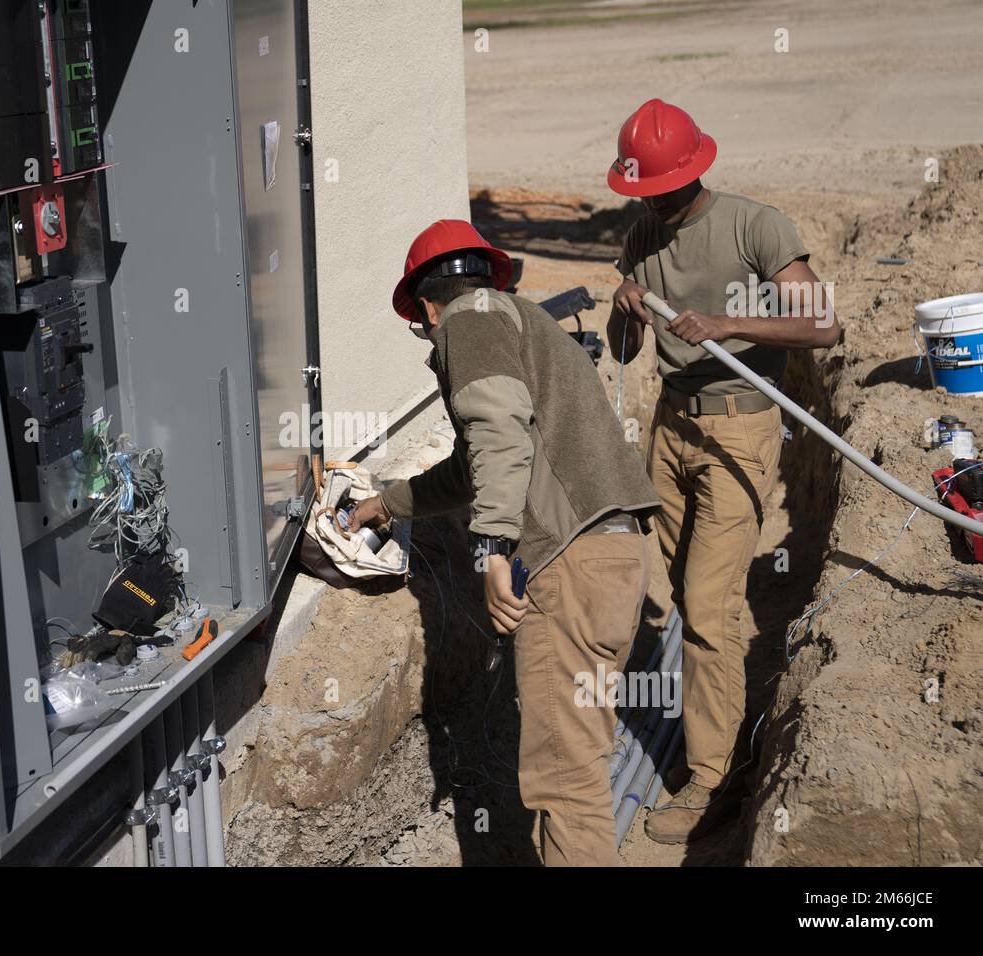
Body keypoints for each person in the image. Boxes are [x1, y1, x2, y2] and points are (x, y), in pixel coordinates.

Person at [351, 219, 659, 865]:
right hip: (613, 558)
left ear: (430, 305)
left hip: (568, 569)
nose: (431, 333)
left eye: (422, 325)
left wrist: (491, 553)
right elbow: (479, 465)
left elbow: (495, 436)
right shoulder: (520, 323)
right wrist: (389, 502)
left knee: (566, 788)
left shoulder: (469, 320)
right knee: (581, 766)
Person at [604, 99, 840, 844]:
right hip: (670, 429)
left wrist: (730, 322)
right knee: (677, 590)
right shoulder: (640, 236)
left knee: (707, 609)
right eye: (640, 193)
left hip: (739, 430)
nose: (650, 205)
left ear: (694, 171)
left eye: (659, 190)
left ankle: (714, 778)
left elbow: (825, 323)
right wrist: (625, 308)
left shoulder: (753, 226)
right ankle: (716, 708)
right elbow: (622, 350)